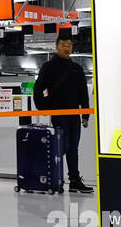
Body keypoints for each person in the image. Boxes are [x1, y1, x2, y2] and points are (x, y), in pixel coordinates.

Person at [33, 34, 94, 194]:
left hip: (74, 114)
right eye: (63, 45)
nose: (67, 48)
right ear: (56, 47)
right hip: (59, 114)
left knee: (73, 147)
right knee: (64, 145)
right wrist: (44, 108)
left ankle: (74, 181)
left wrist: (85, 115)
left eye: (69, 45)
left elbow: (83, 93)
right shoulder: (48, 67)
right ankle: (50, 175)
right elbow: (38, 89)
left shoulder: (76, 68)